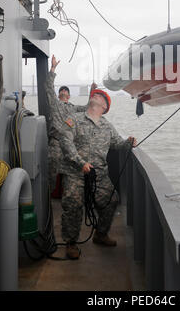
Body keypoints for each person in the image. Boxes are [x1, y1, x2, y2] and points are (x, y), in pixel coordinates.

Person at [58, 86, 137, 260]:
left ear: (105, 108)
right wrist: (80, 163)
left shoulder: (107, 126)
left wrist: (128, 142)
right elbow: (65, 142)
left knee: (112, 200)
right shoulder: (74, 119)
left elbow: (117, 143)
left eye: (102, 96)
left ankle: (100, 234)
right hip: (75, 172)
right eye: (97, 94)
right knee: (72, 203)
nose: (97, 95)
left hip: (99, 175)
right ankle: (71, 243)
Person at [45, 55, 96, 193]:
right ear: (59, 94)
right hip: (56, 143)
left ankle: (70, 195)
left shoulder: (73, 108)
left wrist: (92, 91)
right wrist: (53, 68)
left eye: (66, 90)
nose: (63, 91)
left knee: (73, 171)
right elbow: (48, 87)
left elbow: (87, 108)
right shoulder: (55, 103)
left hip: (70, 143)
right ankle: (49, 197)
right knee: (52, 169)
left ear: (69, 95)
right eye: (61, 90)